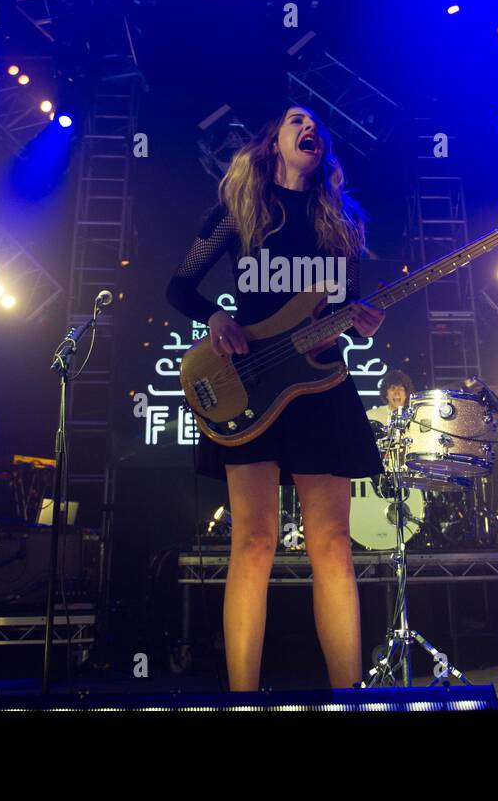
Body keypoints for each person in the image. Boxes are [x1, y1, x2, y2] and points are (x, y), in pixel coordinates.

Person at [165, 105, 385, 691]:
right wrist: (215, 315)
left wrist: (359, 321)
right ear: (273, 144)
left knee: (333, 544)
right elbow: (178, 285)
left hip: (320, 387)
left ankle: (351, 698)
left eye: (315, 124)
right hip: (251, 382)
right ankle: (243, 699)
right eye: (295, 121)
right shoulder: (238, 213)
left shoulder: (342, 221)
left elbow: (345, 305)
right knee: (255, 541)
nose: (308, 127)